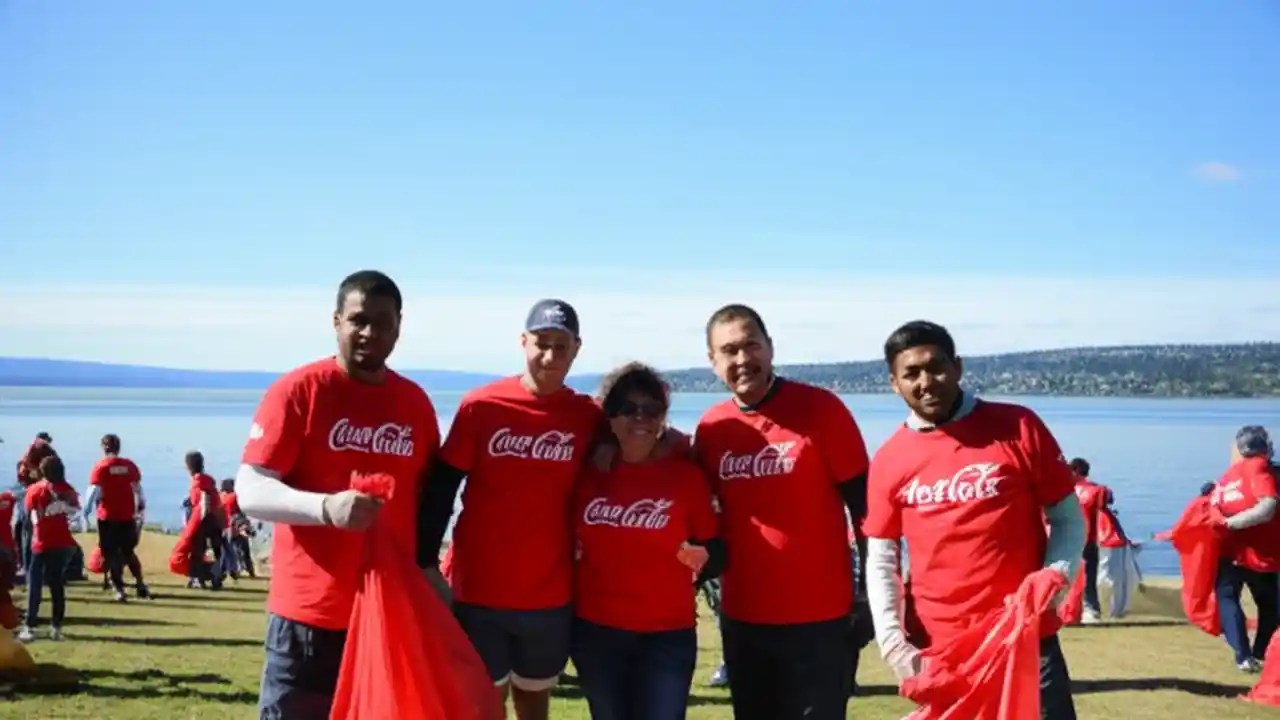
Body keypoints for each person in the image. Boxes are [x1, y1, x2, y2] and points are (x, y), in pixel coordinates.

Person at [236, 270, 441, 718]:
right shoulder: (299, 391)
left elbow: (429, 503)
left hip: (386, 616)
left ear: (399, 326)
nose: (370, 333)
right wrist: (325, 507)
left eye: (383, 322)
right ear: (336, 321)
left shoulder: (415, 404)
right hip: (308, 618)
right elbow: (250, 488)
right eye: (358, 320)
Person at [863, 320, 1085, 720]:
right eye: (911, 373)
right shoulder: (889, 459)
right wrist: (893, 641)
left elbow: (1068, 517)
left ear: (958, 367)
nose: (926, 381)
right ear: (894, 384)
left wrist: (1054, 579)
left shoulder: (1018, 426)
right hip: (942, 650)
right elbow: (881, 559)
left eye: (936, 367)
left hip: (1027, 639)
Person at [417, 299, 604, 720]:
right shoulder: (482, 406)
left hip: (551, 595)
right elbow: (442, 486)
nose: (550, 356)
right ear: (523, 342)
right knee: (480, 704)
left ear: (577, 348)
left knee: (535, 703)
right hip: (478, 591)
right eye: (541, 343)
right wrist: (425, 561)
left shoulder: (589, 417)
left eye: (561, 345)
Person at [692, 304, 870, 720]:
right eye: (729, 350)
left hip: (821, 621)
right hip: (743, 619)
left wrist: (871, 596)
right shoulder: (712, 429)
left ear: (770, 348)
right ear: (712, 361)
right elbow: (691, 510)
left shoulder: (820, 409)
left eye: (751, 345)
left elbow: (865, 509)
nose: (742, 360)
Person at [570, 362, 724, 719]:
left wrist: (687, 566)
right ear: (609, 416)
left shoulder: (685, 476)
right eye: (628, 409)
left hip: (666, 636)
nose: (640, 418)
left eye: (651, 409)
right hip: (597, 631)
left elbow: (712, 548)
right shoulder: (588, 471)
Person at [1209, 425, 1280, 673]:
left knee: (1229, 599)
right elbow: (1267, 505)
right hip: (1261, 554)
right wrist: (1234, 523)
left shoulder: (1228, 477)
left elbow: (1213, 507)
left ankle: (1244, 654)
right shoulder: (1262, 469)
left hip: (1232, 552)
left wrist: (1227, 523)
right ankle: (1258, 653)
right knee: (1268, 605)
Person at [18, 455, 81, 643]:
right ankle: (56, 627)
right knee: (56, 585)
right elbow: (75, 511)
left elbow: (30, 517)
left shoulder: (35, 490)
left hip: (41, 542)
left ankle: (29, 626)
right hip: (62, 543)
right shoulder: (68, 490)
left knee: (35, 584)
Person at [84, 434, 150, 601]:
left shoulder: (101, 467)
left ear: (104, 448)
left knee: (111, 553)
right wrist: (141, 509)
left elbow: (93, 493)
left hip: (108, 516)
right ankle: (140, 583)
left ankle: (119, 589)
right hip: (127, 515)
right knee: (128, 552)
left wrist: (85, 513)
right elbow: (138, 490)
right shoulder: (130, 466)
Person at [1069, 457, 1110, 624]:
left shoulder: (1066, 491)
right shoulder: (1096, 490)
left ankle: (1079, 609)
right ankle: (1089, 610)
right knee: (1087, 576)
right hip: (1086, 539)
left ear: (1076, 471)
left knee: (1073, 576)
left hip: (1072, 540)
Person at [185, 451, 225, 589]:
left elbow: (204, 498)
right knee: (215, 549)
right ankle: (216, 577)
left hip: (203, 518)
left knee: (198, 550)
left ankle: (198, 578)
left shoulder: (198, 480)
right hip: (214, 518)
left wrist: (199, 519)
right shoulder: (208, 479)